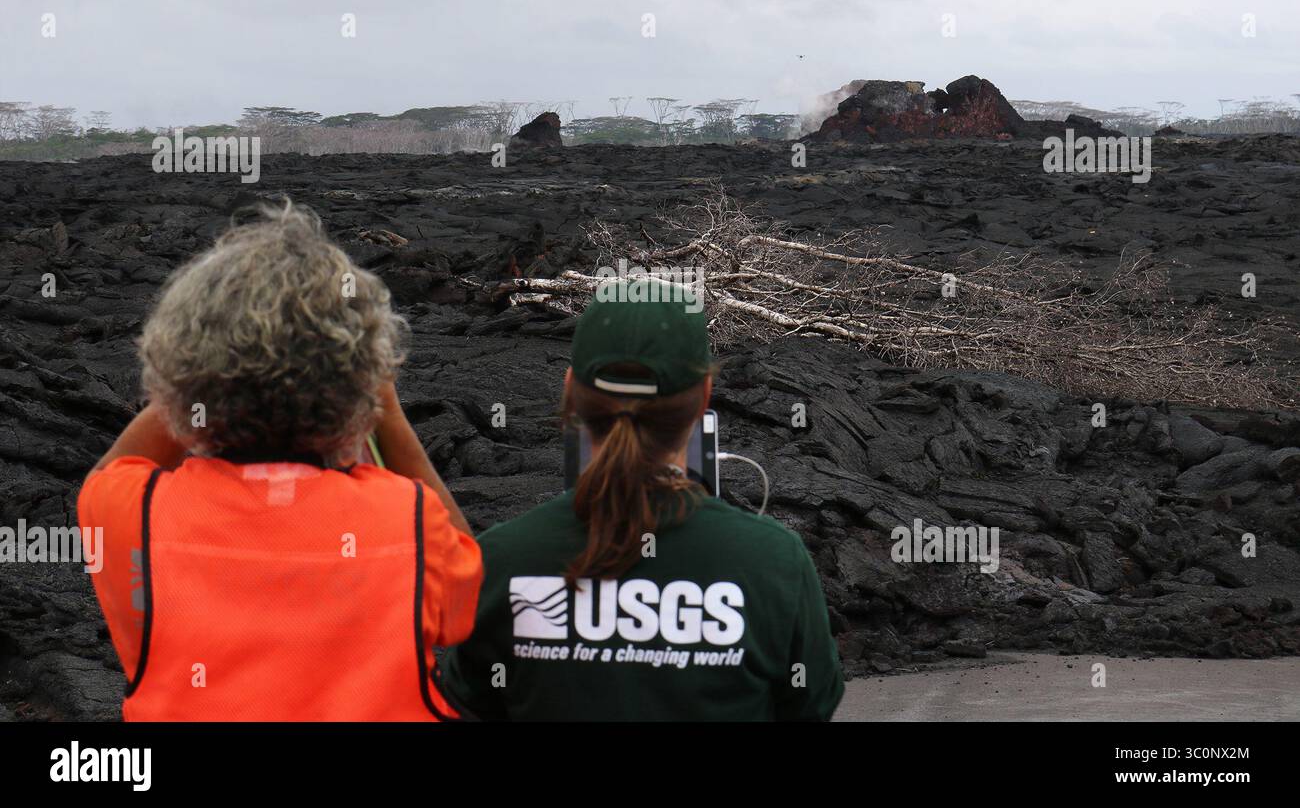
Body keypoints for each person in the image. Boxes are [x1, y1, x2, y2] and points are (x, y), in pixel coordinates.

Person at [77, 201, 481, 721]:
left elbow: (108, 474)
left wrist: (199, 369)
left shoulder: (135, 514)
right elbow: (466, 599)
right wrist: (384, 403)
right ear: (359, 389)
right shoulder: (410, 521)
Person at [438, 277, 844, 720]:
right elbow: (810, 705)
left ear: (570, 390)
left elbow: (467, 703)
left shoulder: (502, 558)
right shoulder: (774, 562)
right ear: (705, 396)